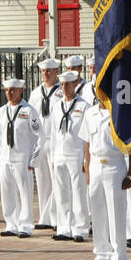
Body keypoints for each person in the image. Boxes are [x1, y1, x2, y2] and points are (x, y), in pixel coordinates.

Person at [80, 93, 131, 260]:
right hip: (96, 165)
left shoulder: (120, 113)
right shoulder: (90, 113)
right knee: (97, 211)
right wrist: (87, 168)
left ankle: (119, 255)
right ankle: (102, 252)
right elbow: (87, 143)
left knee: (116, 212)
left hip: (114, 164)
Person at [0, 79, 44, 237]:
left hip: (23, 158)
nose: (9, 93)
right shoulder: (2, 111)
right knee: (7, 192)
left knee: (25, 192)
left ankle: (26, 225)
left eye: (13, 90)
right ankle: (11, 223)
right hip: (6, 159)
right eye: (7, 90)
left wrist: (33, 160)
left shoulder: (29, 110)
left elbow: (39, 137)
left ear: (20, 91)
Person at [49, 70, 90, 243]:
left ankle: (80, 228)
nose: (65, 88)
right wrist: (52, 156)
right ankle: (64, 227)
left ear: (75, 85)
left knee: (79, 191)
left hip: (76, 154)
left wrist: (86, 160)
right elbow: (53, 133)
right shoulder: (57, 105)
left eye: (68, 84)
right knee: (61, 191)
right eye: (62, 84)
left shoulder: (84, 106)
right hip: (60, 154)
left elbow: (87, 136)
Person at [28, 58, 62, 230]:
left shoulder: (62, 92)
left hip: (55, 140)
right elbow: (31, 117)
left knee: (57, 181)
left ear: (56, 72)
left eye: (49, 71)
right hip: (40, 140)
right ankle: (44, 217)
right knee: (42, 181)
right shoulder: (35, 93)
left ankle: (55, 217)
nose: (46, 74)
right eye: (43, 71)